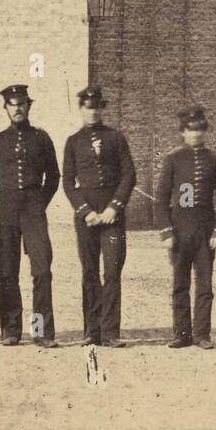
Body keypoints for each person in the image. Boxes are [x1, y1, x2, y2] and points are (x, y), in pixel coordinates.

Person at [0, 84, 60, 347]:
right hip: (6, 209)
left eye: (22, 104)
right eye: (12, 104)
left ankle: (41, 331)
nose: (17, 109)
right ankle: (11, 330)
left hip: (33, 209)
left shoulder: (41, 138)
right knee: (8, 271)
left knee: (41, 270)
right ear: (5, 108)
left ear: (28, 106)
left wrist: (39, 203)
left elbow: (53, 176)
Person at [62, 86, 136, 347]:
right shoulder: (73, 141)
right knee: (89, 272)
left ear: (102, 109)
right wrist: (85, 212)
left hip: (112, 217)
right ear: (81, 109)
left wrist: (114, 207)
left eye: (96, 107)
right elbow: (68, 182)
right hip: (88, 218)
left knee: (113, 271)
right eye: (87, 107)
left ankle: (110, 332)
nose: (92, 112)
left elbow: (129, 175)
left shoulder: (116, 138)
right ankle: (91, 331)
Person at [155, 104, 216, 349]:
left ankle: (202, 334)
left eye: (199, 129)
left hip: (205, 230)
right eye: (190, 130)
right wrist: (166, 231)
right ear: (183, 132)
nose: (195, 134)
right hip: (179, 229)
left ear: (204, 130)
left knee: (205, 284)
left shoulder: (215, 160)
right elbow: (162, 197)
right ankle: (182, 333)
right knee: (180, 283)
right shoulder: (173, 159)